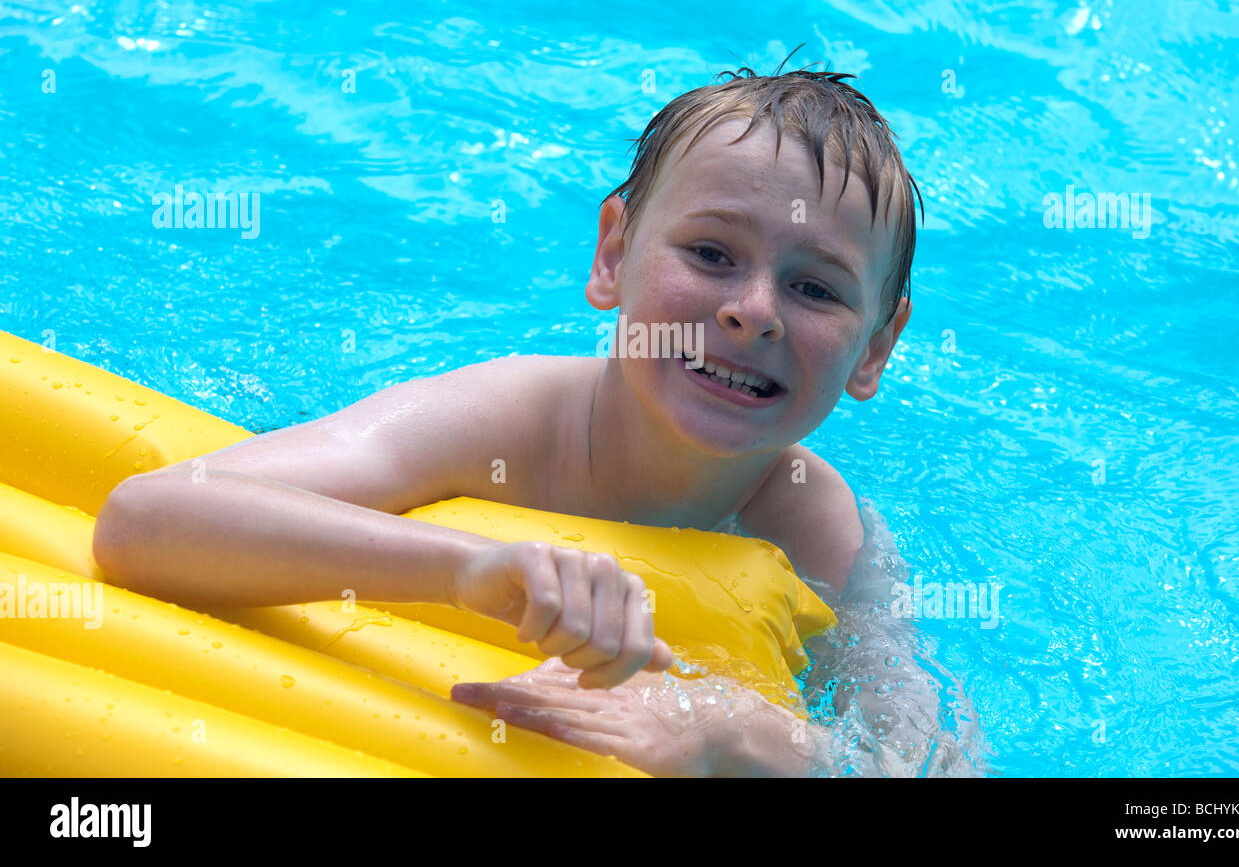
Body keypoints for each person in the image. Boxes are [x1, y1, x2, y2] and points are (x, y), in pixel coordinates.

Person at [93, 51, 981, 776]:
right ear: (614, 255)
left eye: (815, 287)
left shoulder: (814, 523)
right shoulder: (503, 423)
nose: (754, 310)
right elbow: (147, 519)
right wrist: (471, 569)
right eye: (711, 253)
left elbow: (923, 761)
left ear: (874, 348)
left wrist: (739, 735)